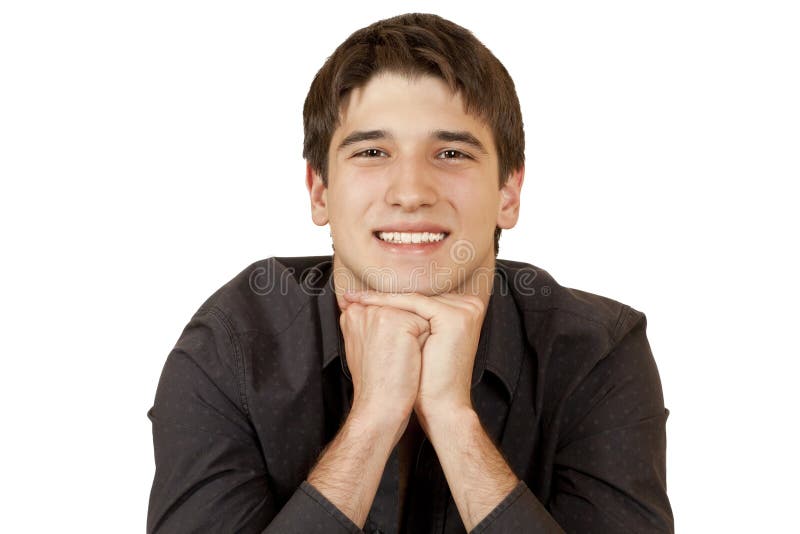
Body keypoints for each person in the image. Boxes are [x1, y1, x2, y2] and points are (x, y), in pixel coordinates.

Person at [146, 12, 673, 533]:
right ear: (320, 191)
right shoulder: (234, 347)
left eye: (452, 152)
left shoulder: (595, 353)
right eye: (372, 152)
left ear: (508, 193)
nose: (411, 192)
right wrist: (373, 420)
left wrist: (452, 418)